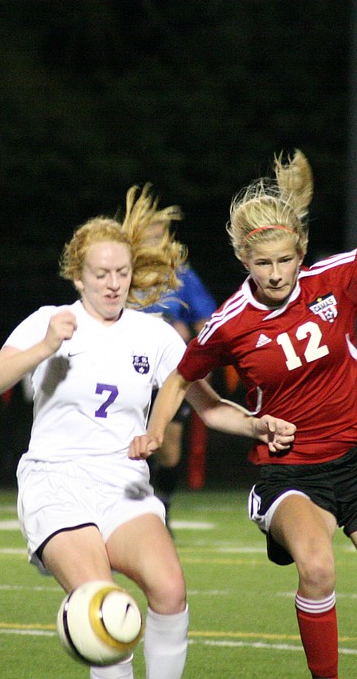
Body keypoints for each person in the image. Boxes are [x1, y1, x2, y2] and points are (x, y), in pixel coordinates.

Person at [132, 99, 357, 679]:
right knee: (315, 565)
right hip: (290, 473)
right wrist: (156, 430)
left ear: (301, 252)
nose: (275, 273)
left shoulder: (335, 280)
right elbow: (182, 378)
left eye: (285, 259)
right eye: (262, 262)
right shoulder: (229, 323)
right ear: (244, 258)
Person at [0, 184, 295, 679]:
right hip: (56, 483)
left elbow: (208, 408)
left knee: (169, 589)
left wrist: (255, 424)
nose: (113, 283)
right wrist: (42, 349)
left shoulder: (154, 334)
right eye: (101, 274)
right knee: (105, 608)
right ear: (78, 277)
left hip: (123, 483)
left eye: (121, 272)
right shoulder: (48, 322)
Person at [140, 222, 219, 525]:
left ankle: (163, 509)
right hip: (131, 369)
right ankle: (130, 510)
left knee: (169, 445)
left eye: (160, 232)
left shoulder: (180, 273)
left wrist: (205, 361)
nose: (155, 238)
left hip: (170, 371)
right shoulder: (120, 269)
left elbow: (204, 321)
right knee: (126, 439)